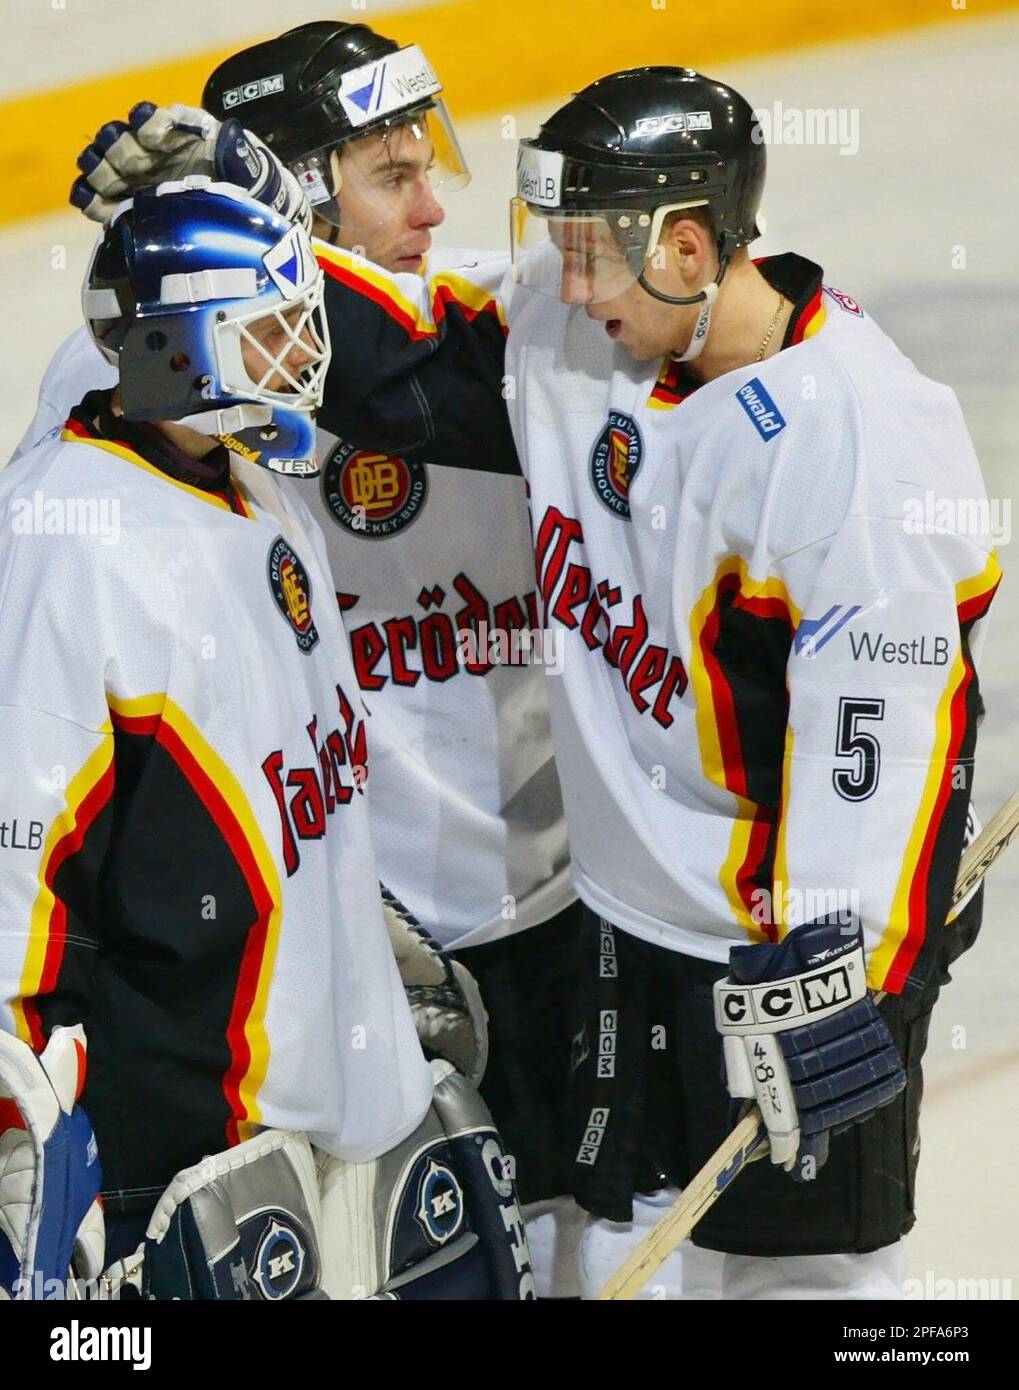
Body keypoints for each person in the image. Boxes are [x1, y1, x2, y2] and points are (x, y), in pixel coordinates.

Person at [29, 22, 583, 1293]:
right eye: (390, 174)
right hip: (266, 998)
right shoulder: (118, 415)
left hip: (516, 927)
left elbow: (411, 371)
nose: (433, 203)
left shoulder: (490, 329)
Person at [501, 66, 999, 1298]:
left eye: (587, 256)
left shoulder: (853, 441)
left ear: (681, 244)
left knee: (808, 1278)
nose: (562, 288)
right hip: (627, 915)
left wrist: (838, 976)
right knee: (614, 1237)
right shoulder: (593, 326)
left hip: (772, 945)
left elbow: (887, 722)